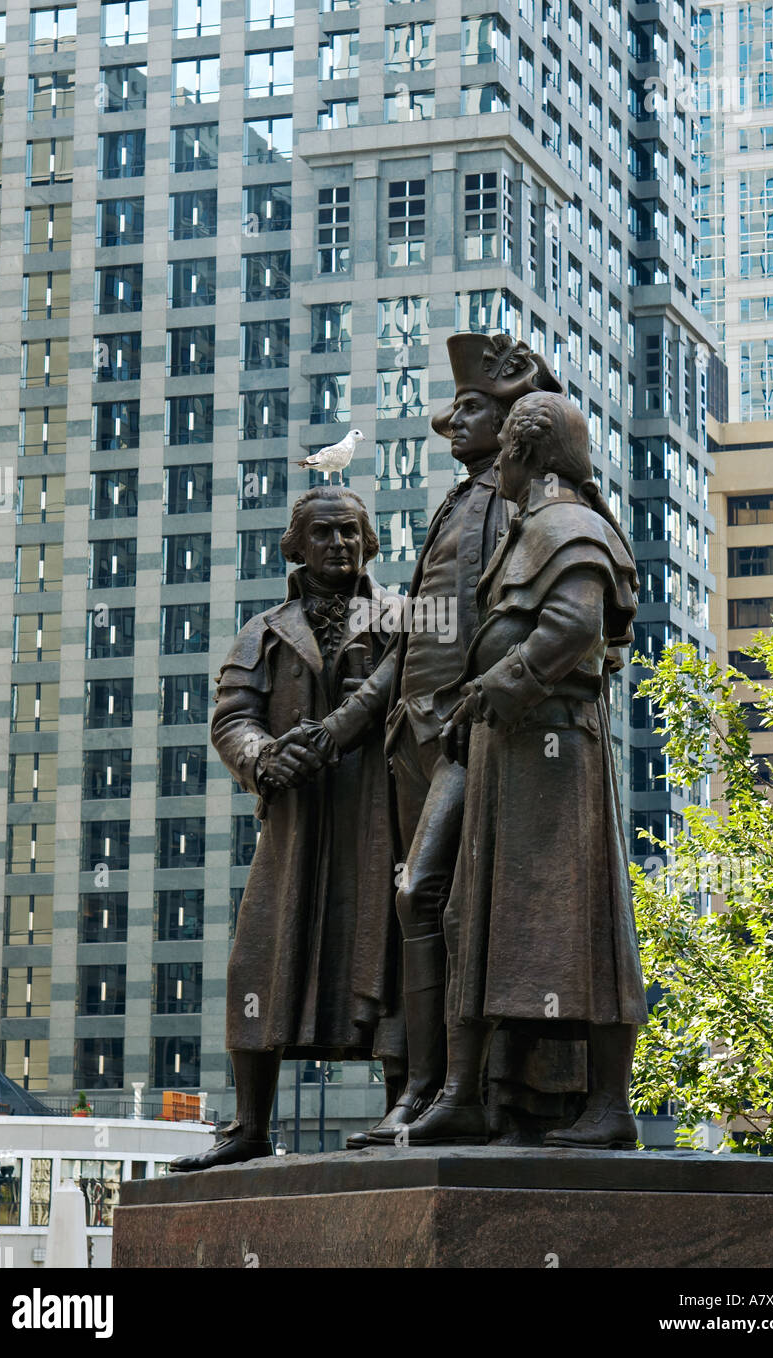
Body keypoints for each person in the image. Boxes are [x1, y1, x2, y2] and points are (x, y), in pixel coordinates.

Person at [274, 334, 580, 1147]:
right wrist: (338, 728)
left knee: (450, 906)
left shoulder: (532, 505)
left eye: (473, 409)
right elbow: (416, 637)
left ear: (516, 418)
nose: (454, 424)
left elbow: (555, 623)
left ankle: (473, 1091)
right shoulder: (455, 502)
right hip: (414, 742)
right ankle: (420, 1090)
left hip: (477, 735)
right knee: (421, 908)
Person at [399, 390, 649, 1148]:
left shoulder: (570, 525)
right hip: (506, 753)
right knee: (466, 914)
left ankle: (610, 1109)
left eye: (507, 446)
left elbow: (573, 628)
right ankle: (461, 1095)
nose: (497, 460)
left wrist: (492, 689)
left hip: (555, 755)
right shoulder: (531, 528)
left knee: (581, 926)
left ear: (529, 452)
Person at [170, 487, 404, 1171]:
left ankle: (401, 1112)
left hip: (379, 820)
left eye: (352, 533)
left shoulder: (406, 620)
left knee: (387, 953)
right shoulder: (265, 631)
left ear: (370, 543)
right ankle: (249, 1125)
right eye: (325, 534)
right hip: (295, 824)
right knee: (261, 958)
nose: (340, 545)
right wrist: (264, 756)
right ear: (296, 547)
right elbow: (232, 718)